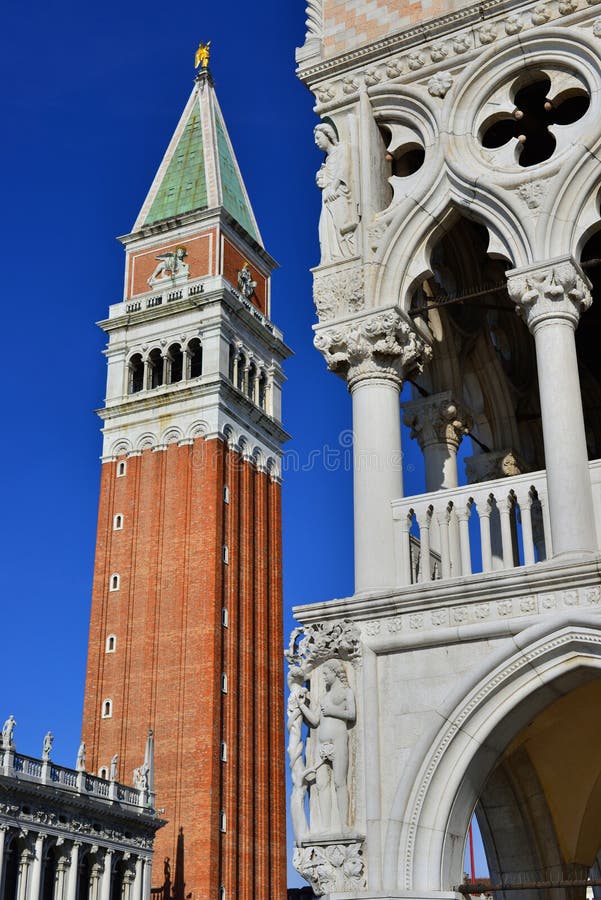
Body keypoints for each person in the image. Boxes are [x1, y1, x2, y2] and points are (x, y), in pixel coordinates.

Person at [298, 659, 356, 832]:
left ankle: (344, 825)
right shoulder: (324, 697)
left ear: (335, 672)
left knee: (339, 782)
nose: (324, 677)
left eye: (326, 674)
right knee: (322, 784)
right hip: (321, 745)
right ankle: (325, 826)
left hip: (338, 740)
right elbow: (315, 721)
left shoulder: (347, 692)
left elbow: (352, 714)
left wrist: (333, 711)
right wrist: (302, 705)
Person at [314, 124, 355, 264]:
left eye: (318, 137)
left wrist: (333, 187)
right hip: (327, 199)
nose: (316, 141)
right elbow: (325, 181)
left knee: (340, 227)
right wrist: (321, 178)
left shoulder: (341, 149)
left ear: (328, 135)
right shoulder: (326, 161)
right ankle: (330, 257)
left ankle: (345, 254)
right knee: (324, 229)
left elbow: (344, 168)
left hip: (338, 196)